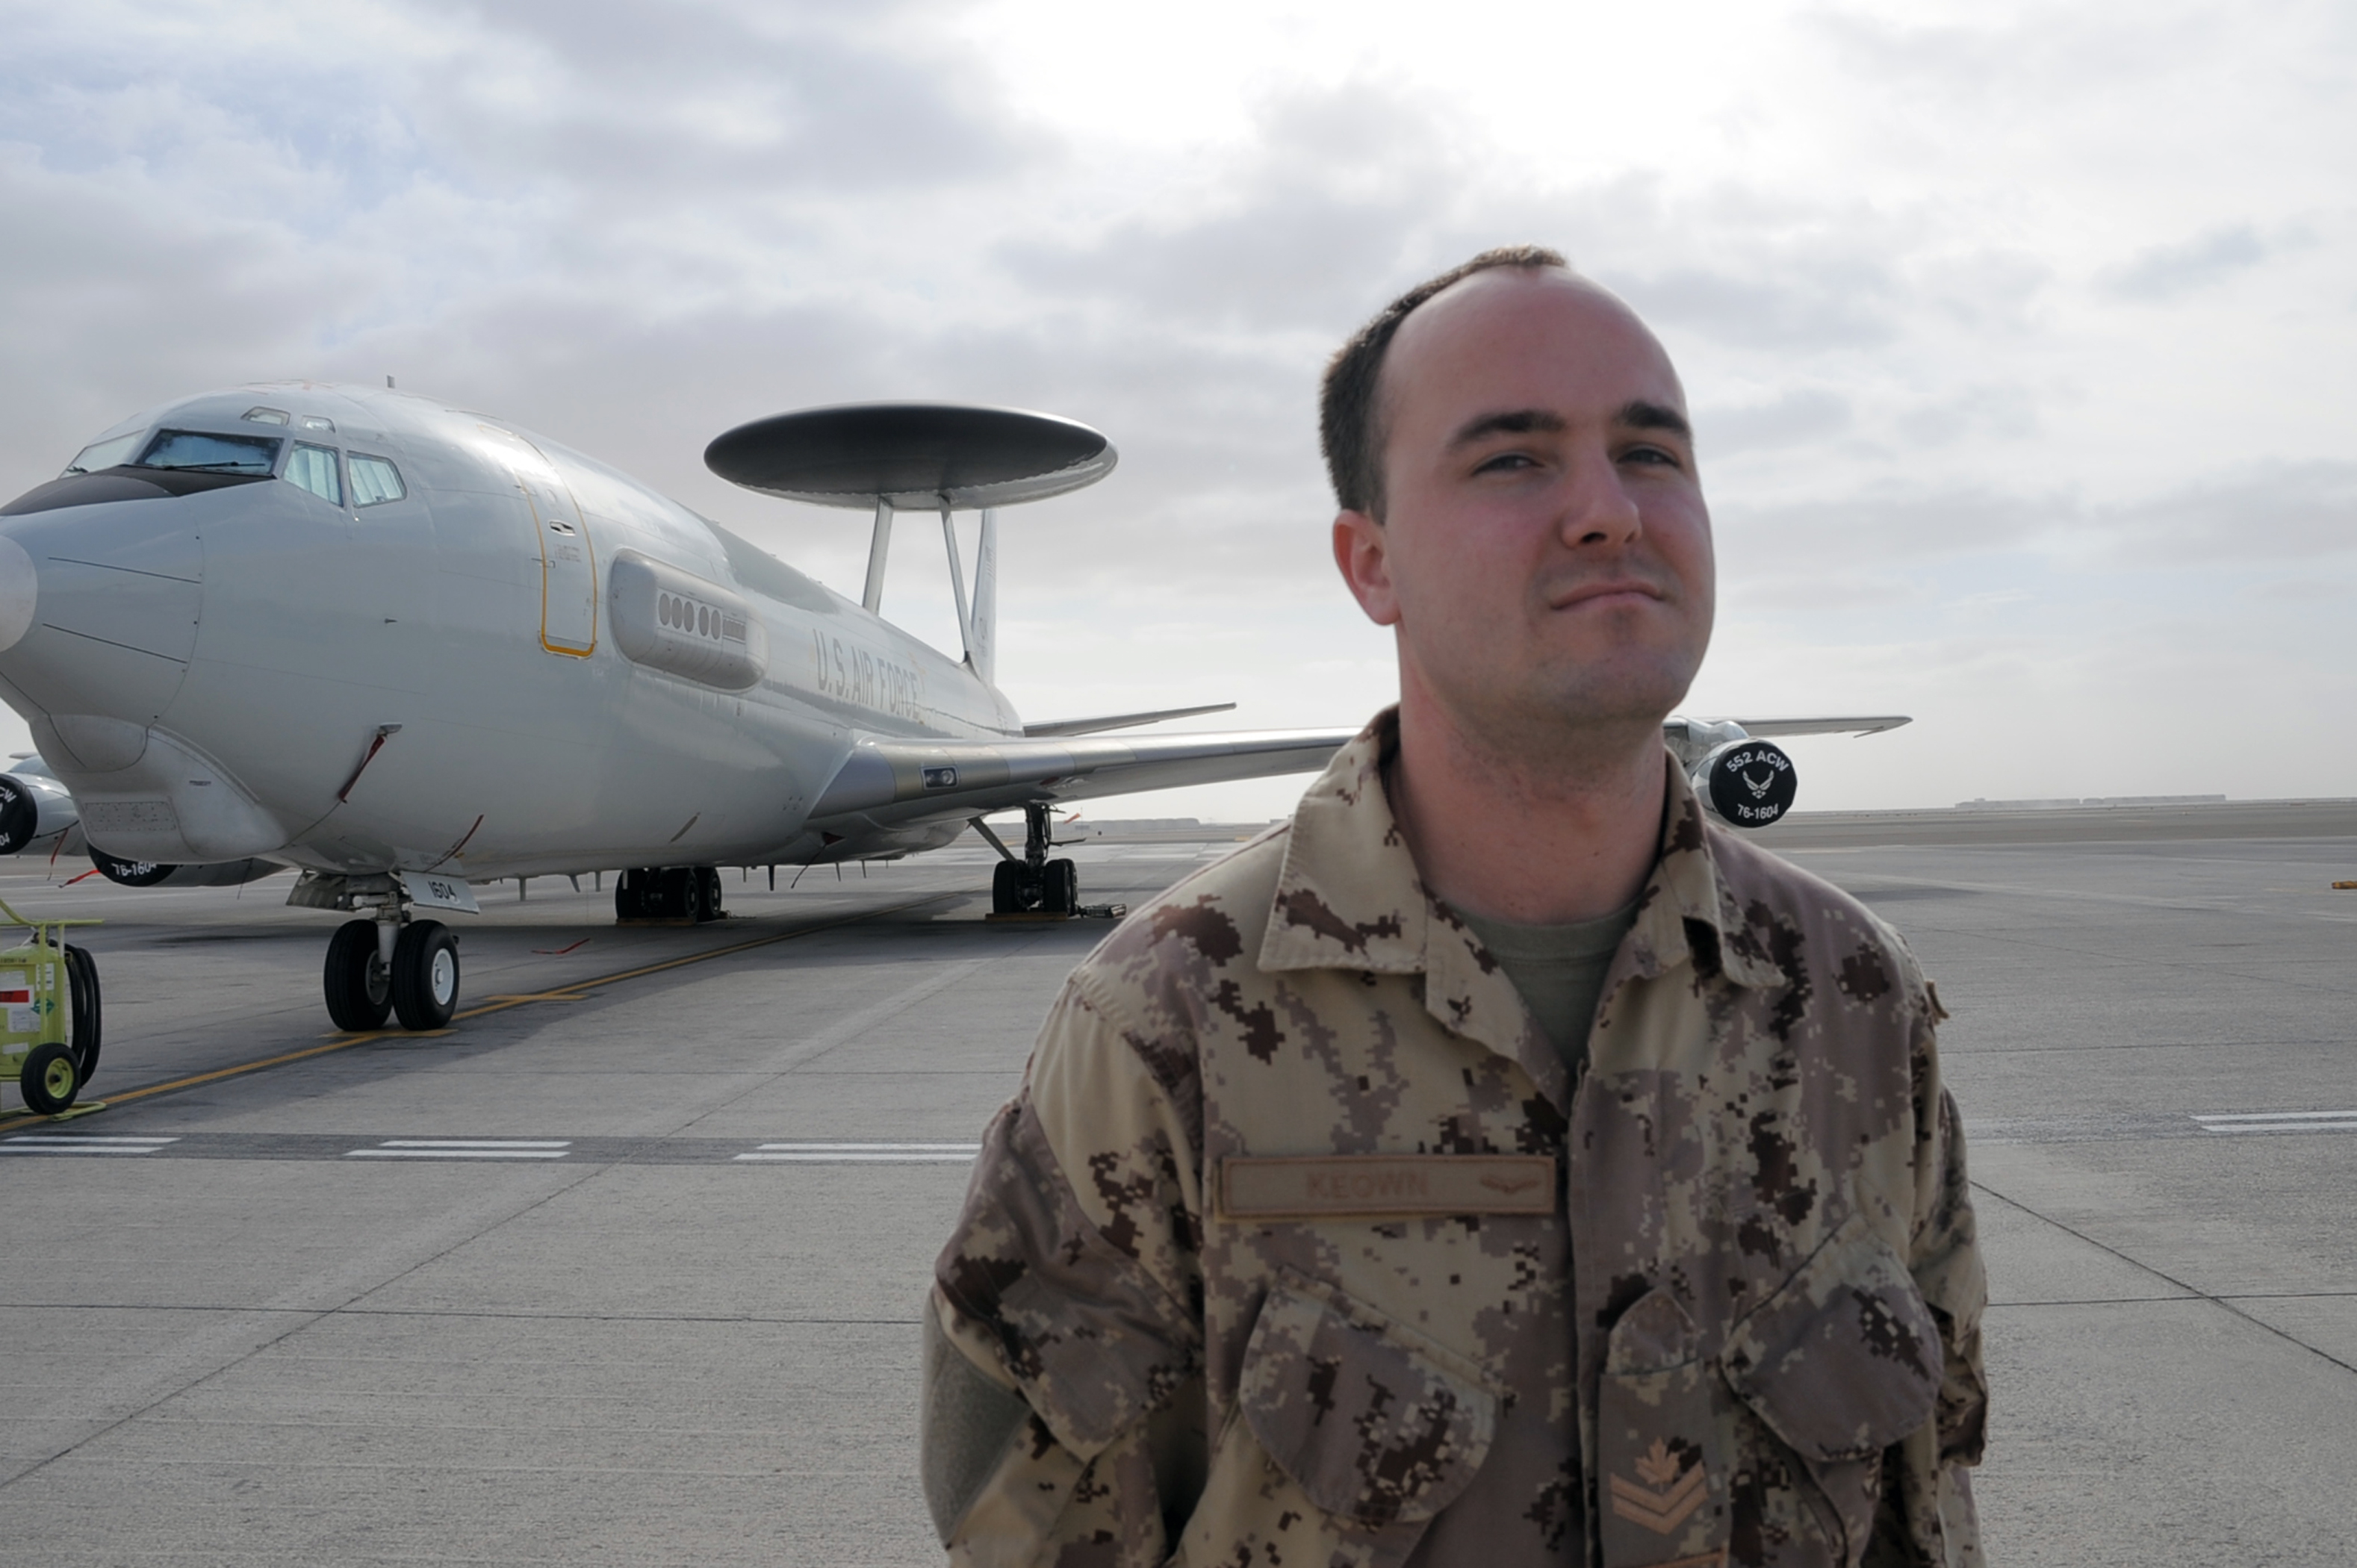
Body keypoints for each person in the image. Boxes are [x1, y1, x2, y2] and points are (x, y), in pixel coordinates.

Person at [919, 246, 1987, 1568]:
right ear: (1372, 566)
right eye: (1512, 460)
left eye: (1654, 453)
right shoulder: (1166, 1024)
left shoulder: (1856, 999)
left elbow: (1930, 1495)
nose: (1611, 512)